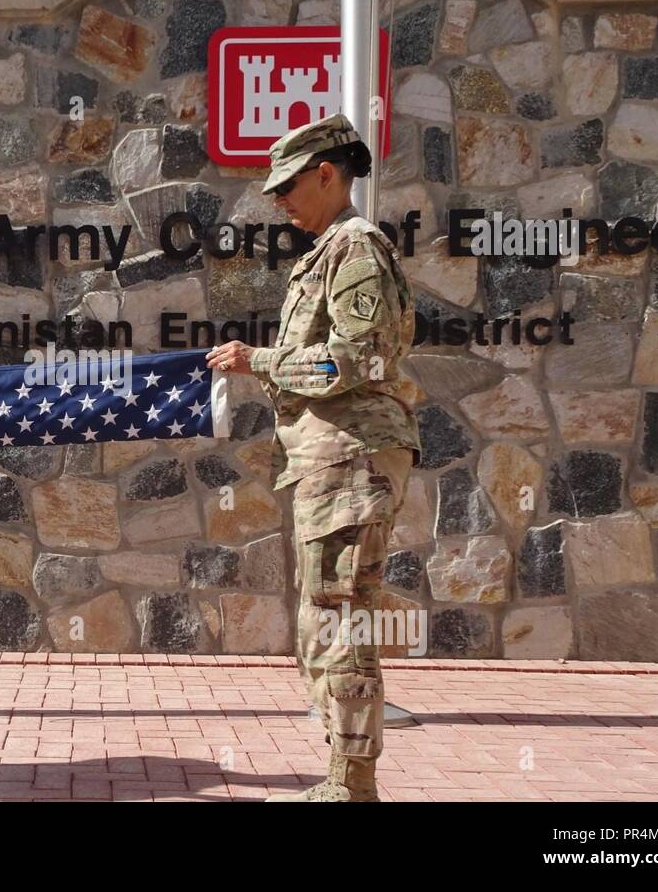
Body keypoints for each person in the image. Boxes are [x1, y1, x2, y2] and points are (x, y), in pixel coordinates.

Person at [206, 113, 421, 802]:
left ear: (326, 173)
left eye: (287, 185)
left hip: (352, 457)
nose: (278, 200)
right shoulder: (329, 249)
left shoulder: (355, 247)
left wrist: (259, 359)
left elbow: (361, 356)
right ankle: (343, 777)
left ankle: (351, 785)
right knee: (325, 617)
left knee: (341, 617)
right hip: (330, 459)